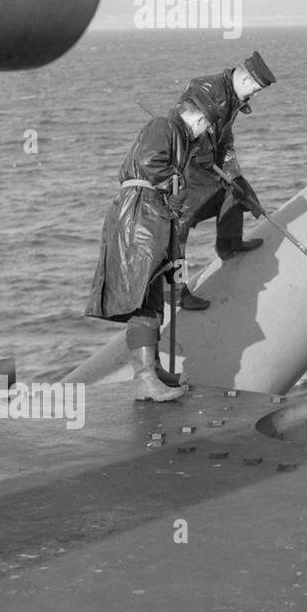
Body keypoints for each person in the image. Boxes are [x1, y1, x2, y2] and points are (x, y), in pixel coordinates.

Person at [85, 93, 222, 401]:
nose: (204, 133)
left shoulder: (176, 132)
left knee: (152, 298)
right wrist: (177, 181)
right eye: (205, 127)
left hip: (148, 214)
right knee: (143, 298)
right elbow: (150, 162)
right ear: (199, 119)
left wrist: (172, 192)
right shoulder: (164, 125)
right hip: (139, 217)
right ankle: (146, 378)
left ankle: (153, 371)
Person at [172, 51, 277, 309]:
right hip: (186, 171)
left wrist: (234, 173)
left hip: (209, 167)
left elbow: (225, 138)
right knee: (177, 231)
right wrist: (201, 155)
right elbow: (182, 128)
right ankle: (175, 291)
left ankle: (229, 244)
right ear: (244, 80)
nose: (256, 94)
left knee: (236, 190)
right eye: (256, 88)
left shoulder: (233, 97)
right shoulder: (207, 89)